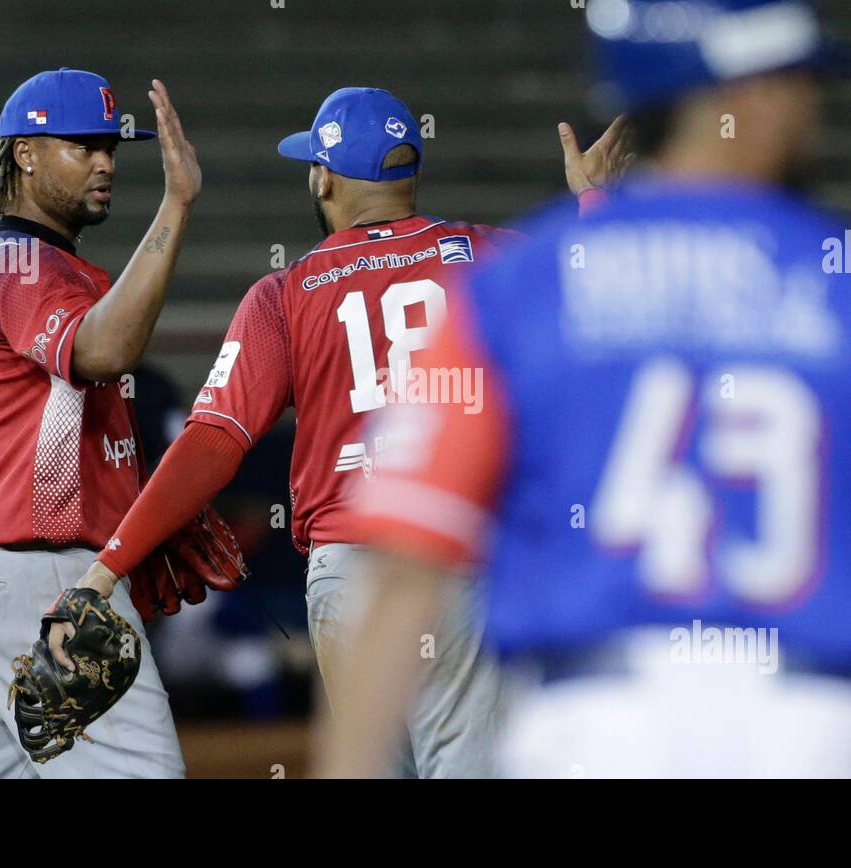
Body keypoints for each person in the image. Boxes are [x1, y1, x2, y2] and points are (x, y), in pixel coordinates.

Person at [318, 0, 851, 778]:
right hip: (814, 731)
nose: (815, 109)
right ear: (752, 92)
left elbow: (404, 569)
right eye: (801, 81)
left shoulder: (513, 293)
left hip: (587, 731)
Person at [56, 86, 630, 778]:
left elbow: (212, 441)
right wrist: (595, 202)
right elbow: (605, 318)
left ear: (323, 176)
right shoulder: (489, 256)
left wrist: (107, 565)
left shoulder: (286, 293)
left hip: (351, 571)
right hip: (462, 560)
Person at [0, 68, 202, 779]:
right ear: (25, 153)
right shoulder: (23, 262)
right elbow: (103, 352)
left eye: (110, 147)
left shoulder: (6, 255)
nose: (105, 162)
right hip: (34, 571)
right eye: (82, 146)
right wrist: (176, 204)